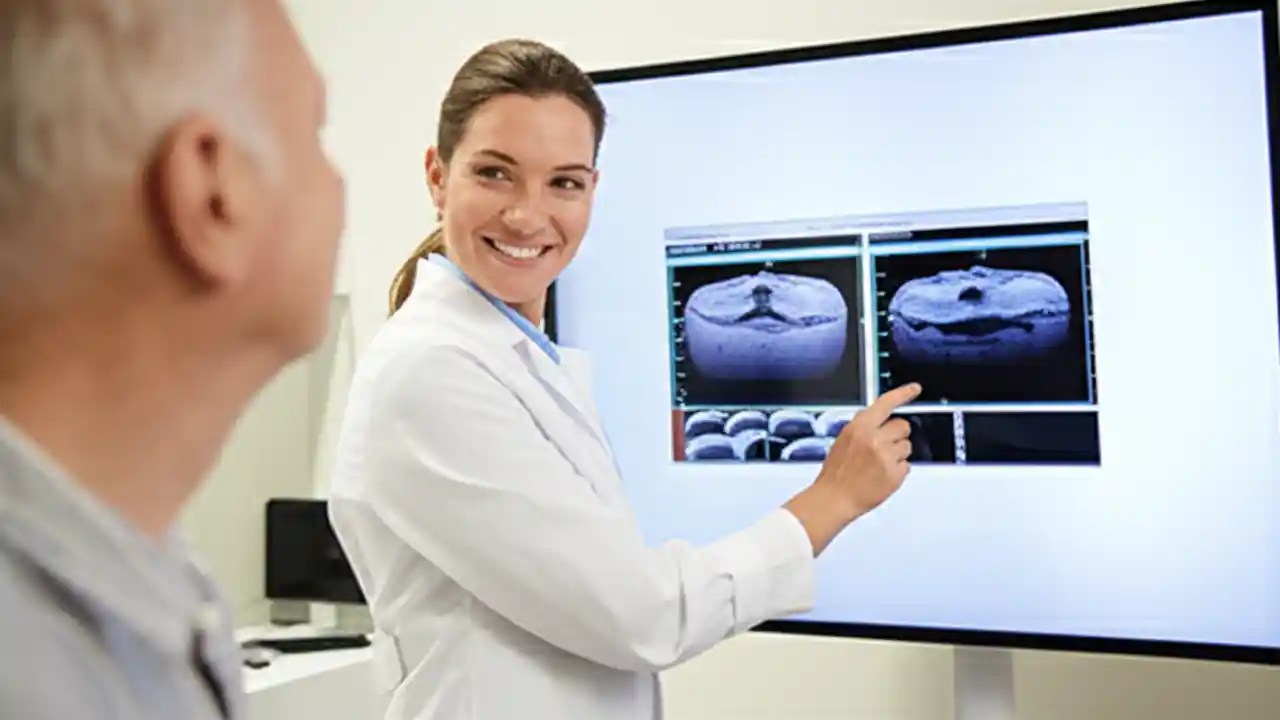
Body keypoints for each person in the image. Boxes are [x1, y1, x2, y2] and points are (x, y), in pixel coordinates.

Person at [328, 38, 920, 720]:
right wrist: (832, 499)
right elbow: (641, 615)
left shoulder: (509, 352)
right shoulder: (430, 372)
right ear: (437, 175)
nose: (527, 215)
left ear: (592, 190)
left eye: (564, 182)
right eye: (495, 174)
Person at [0, 1, 344, 718]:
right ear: (212, 191)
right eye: (315, 133)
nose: (338, 186)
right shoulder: (31, 671)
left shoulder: (154, 574)